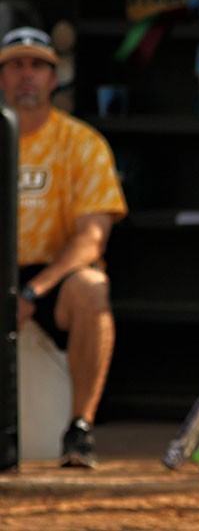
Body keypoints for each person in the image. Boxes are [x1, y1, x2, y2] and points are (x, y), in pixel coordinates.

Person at [0, 26, 128, 468]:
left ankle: (80, 429)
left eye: (37, 66)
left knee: (92, 287)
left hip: (48, 279)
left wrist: (32, 293)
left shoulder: (82, 143)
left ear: (55, 79)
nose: (26, 76)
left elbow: (92, 238)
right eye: (15, 66)